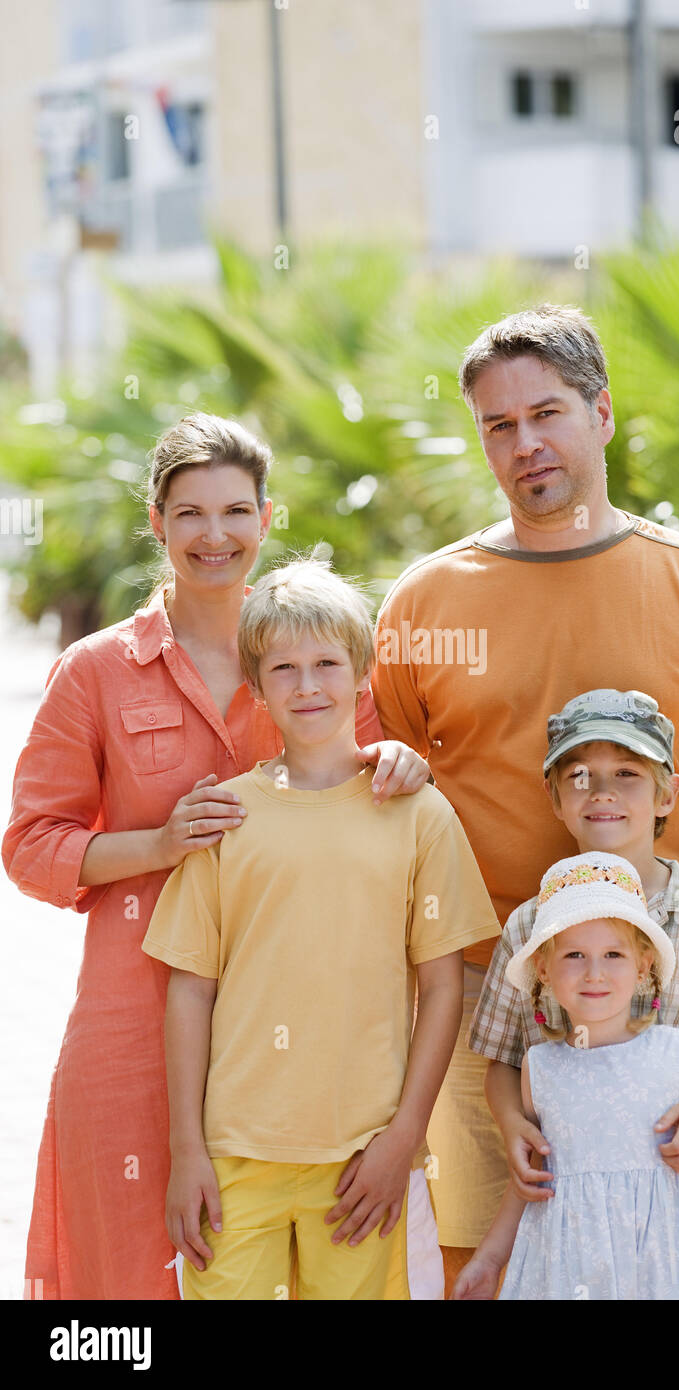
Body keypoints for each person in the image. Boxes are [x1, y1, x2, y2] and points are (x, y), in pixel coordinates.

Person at [371, 303, 679, 1290]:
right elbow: (377, 788)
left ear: (600, 414)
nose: (524, 444)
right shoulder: (423, 602)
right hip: (487, 996)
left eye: (546, 413)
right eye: (497, 426)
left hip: (656, 995)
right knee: (491, 1267)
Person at [1, 413, 431, 1301]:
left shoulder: (312, 658)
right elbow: (31, 846)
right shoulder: (96, 671)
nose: (214, 535)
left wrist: (397, 761)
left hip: (296, 1039)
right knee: (129, 1283)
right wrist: (157, 845)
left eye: (236, 511)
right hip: (132, 1020)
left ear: (268, 519)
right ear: (156, 522)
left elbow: (371, 795)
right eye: (189, 513)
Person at [141, 557, 500, 1300]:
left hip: (363, 1157)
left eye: (328, 664)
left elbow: (441, 989)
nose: (308, 686)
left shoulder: (418, 815)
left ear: (362, 673)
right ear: (258, 686)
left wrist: (403, 1140)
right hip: (235, 1155)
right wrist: (187, 1152)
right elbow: (189, 991)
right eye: (285, 668)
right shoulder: (228, 817)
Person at [469, 688, 679, 1297]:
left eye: (627, 774)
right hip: (575, 1229)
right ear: (554, 796)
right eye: (579, 776)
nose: (603, 792)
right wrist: (511, 1121)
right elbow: (504, 1061)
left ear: (668, 793)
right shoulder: (529, 928)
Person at [453, 852, 679, 1301]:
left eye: (614, 954)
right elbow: (532, 1177)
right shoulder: (538, 1069)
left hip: (661, 1268)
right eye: (575, 954)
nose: (595, 972)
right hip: (566, 1269)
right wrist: (488, 1259)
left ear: (643, 965)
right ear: (543, 968)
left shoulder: (677, 1054)